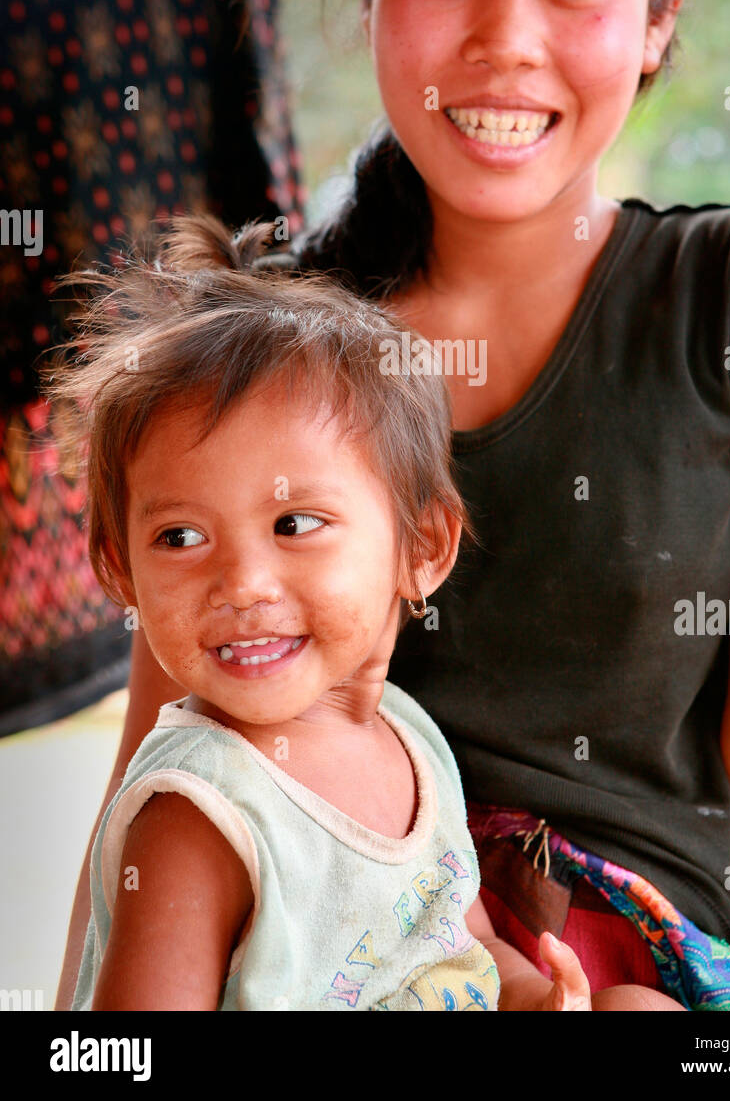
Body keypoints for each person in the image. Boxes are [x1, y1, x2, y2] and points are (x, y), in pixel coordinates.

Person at [56, 0, 730, 1012]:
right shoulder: (255, 350)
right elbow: (172, 775)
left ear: (658, 18)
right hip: (321, 961)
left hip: (636, 977)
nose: (505, 41)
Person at [46, 210, 678, 1011]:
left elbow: (471, 946)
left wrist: (533, 997)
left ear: (422, 548)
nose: (243, 583)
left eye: (295, 524)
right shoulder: (201, 814)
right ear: (119, 571)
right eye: (180, 535)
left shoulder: (409, 741)